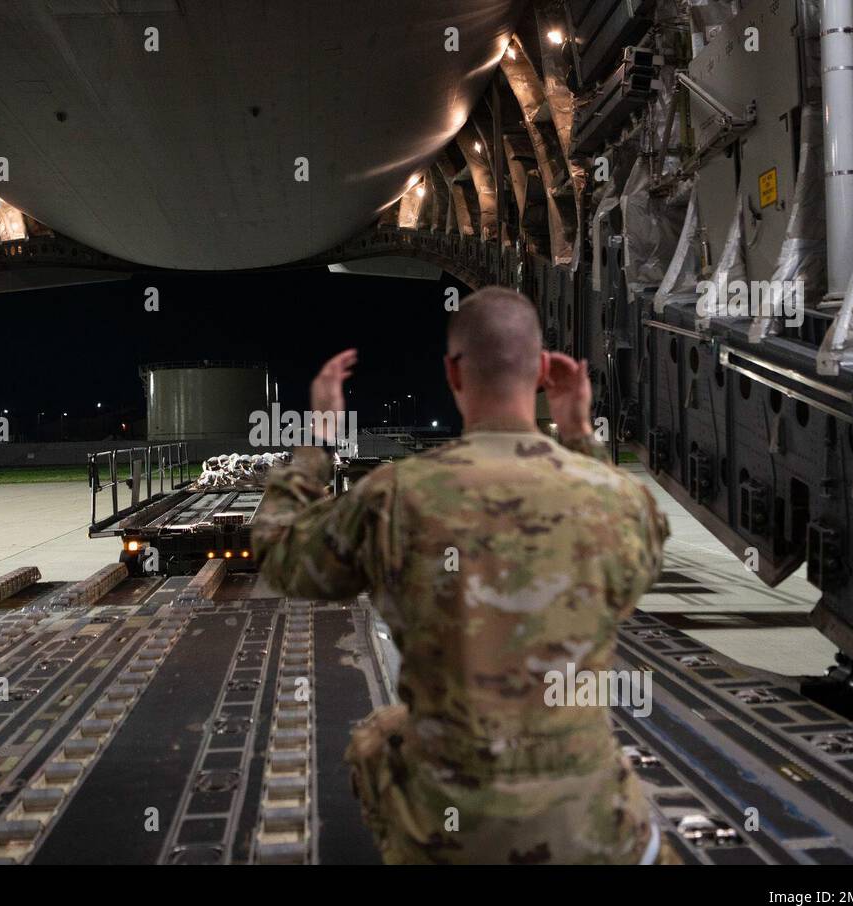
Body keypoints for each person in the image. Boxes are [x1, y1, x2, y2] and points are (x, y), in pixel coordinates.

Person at [251, 286, 672, 864]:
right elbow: (634, 571)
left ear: (453, 372)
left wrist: (319, 441)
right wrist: (578, 433)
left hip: (456, 833)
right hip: (593, 830)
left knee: (378, 739)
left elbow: (280, 555)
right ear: (542, 370)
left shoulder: (397, 495)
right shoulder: (617, 499)